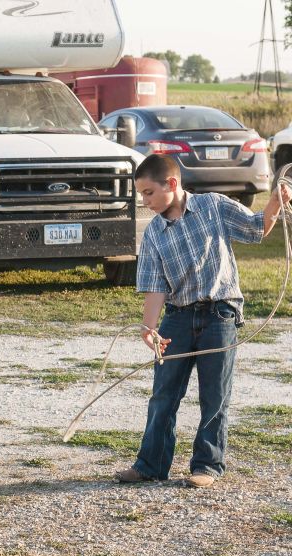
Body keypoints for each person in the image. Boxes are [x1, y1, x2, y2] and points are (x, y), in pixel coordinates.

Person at [115, 154, 291, 489]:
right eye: (141, 195)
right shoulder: (153, 233)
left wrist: (273, 203)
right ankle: (150, 464)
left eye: (149, 193)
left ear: (172, 183)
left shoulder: (213, 206)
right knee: (163, 394)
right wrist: (149, 328)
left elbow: (256, 229)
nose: (144, 201)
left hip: (219, 314)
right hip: (178, 318)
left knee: (214, 395)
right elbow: (155, 287)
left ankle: (207, 466)